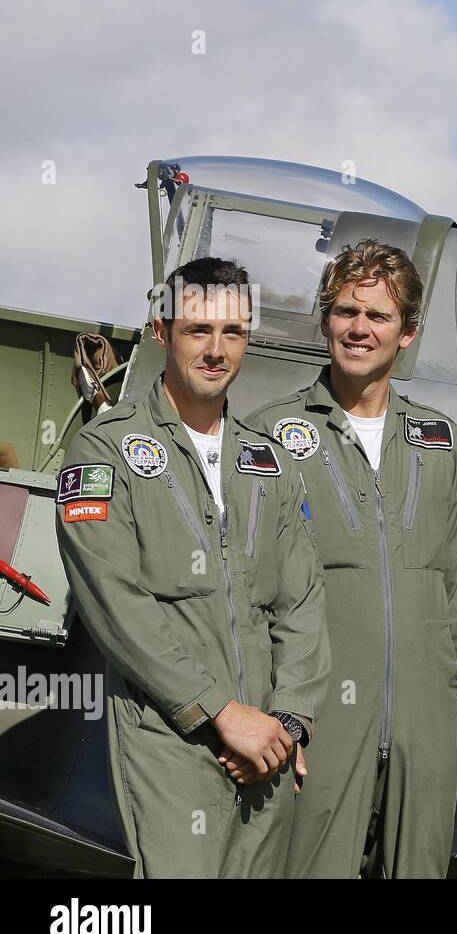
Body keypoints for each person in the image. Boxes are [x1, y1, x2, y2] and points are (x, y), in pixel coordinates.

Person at [56, 257, 330, 877]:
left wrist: (286, 721)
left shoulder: (269, 461)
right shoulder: (105, 449)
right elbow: (115, 603)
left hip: (267, 746)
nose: (216, 350)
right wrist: (221, 714)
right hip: (172, 740)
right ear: (162, 332)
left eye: (233, 332)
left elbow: (303, 600)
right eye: (198, 331)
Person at [249, 239, 457, 878]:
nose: (359, 329)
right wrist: (270, 716)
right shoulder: (265, 437)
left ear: (408, 333)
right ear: (325, 319)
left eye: (378, 317)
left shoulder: (438, 441)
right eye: (344, 312)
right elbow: (246, 596)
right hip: (316, 726)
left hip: (425, 726)